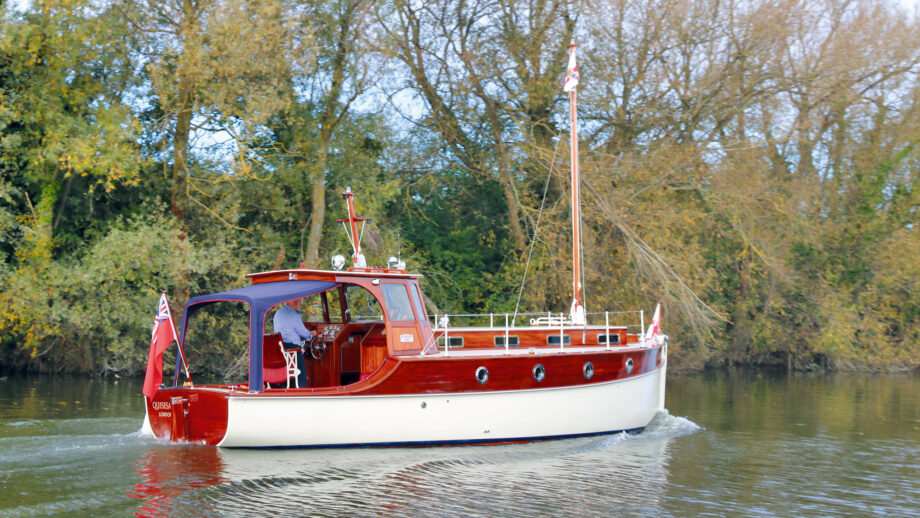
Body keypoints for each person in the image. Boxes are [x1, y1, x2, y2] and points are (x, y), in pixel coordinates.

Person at [272, 298, 311, 387]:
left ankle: (284, 390)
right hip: (292, 349)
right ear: (297, 303)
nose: (299, 303)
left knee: (284, 371)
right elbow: (304, 333)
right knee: (301, 374)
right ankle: (302, 391)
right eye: (298, 301)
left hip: (279, 348)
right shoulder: (294, 316)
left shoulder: (278, 313)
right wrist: (311, 334)